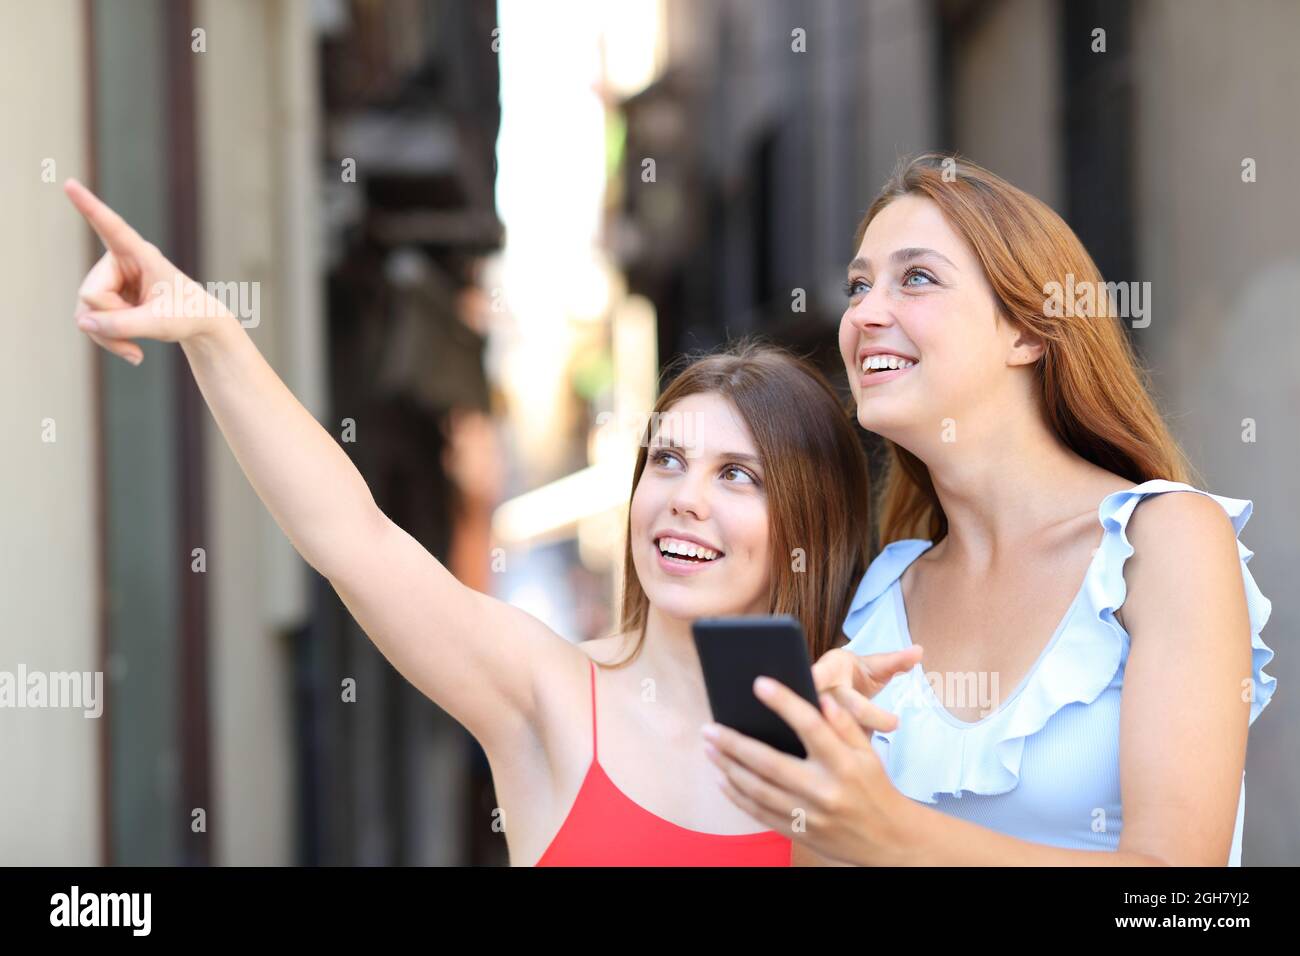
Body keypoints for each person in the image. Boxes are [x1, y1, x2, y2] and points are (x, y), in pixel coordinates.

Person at [63, 177, 909, 866]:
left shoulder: (860, 739)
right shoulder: (546, 691)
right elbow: (352, 536)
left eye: (737, 475)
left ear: (809, 524)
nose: (685, 497)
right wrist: (211, 331)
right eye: (667, 461)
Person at [703, 153, 1278, 866]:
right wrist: (813, 780)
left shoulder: (1160, 542)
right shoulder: (881, 597)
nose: (863, 314)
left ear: (1028, 332)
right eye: (859, 285)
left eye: (917, 278)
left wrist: (891, 831)